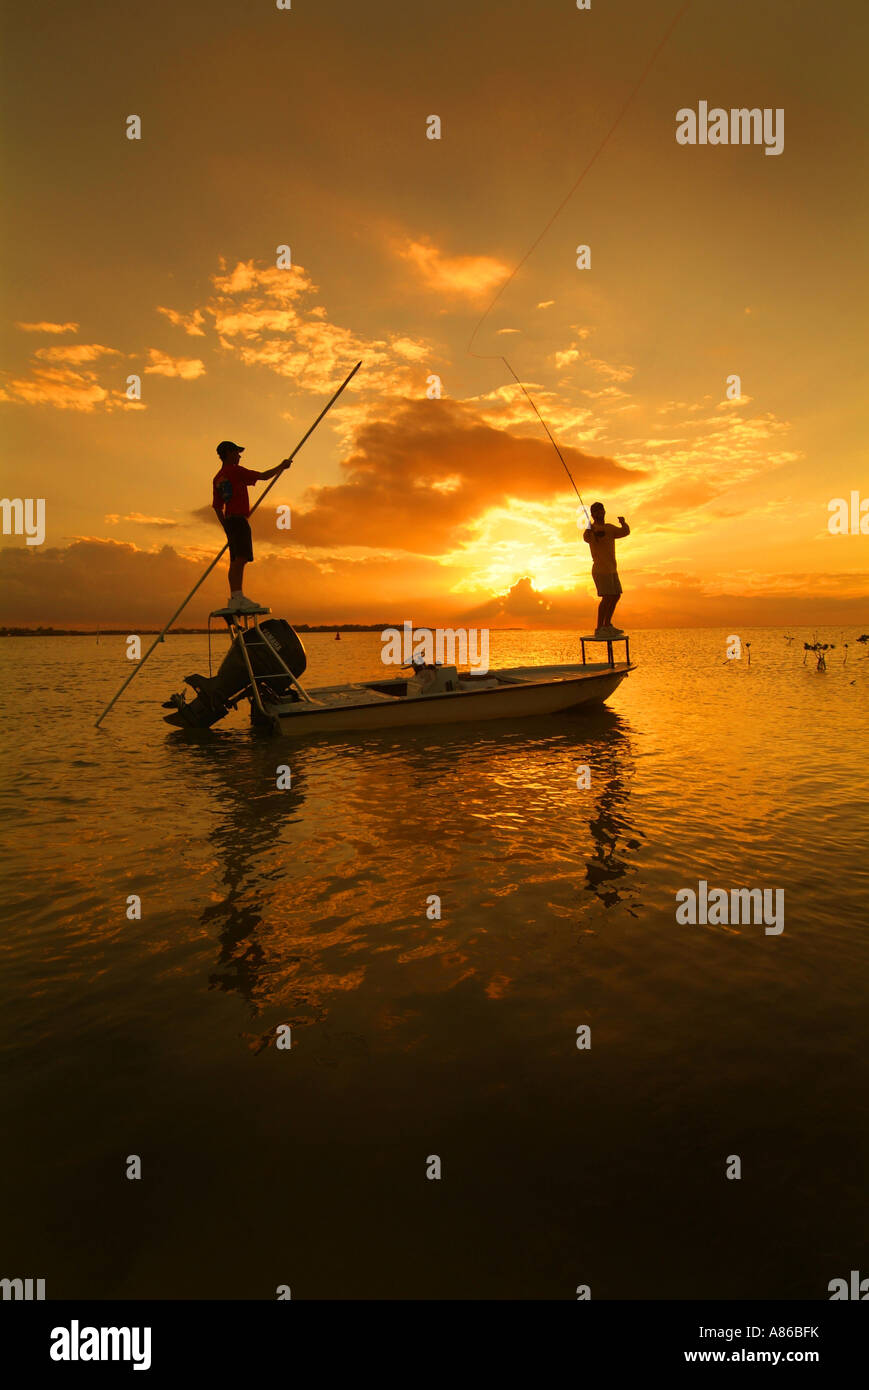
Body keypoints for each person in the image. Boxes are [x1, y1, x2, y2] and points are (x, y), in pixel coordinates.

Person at [211, 441, 291, 612]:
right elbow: (263, 476)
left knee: (235, 560)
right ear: (229, 453)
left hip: (231, 521)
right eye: (237, 452)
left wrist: (225, 526)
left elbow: (218, 507)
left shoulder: (218, 477)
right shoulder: (235, 471)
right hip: (239, 521)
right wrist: (281, 466)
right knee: (240, 559)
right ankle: (237, 597)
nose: (240, 456)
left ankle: (235, 597)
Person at [582, 501, 630, 638]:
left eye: (601, 510)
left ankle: (607, 625)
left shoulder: (610, 528)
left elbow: (625, 532)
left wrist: (623, 522)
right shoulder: (591, 530)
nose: (600, 513)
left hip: (612, 569)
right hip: (600, 570)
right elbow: (586, 538)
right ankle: (599, 628)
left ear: (604, 511)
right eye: (596, 511)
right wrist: (591, 530)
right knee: (607, 597)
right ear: (592, 514)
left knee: (615, 596)